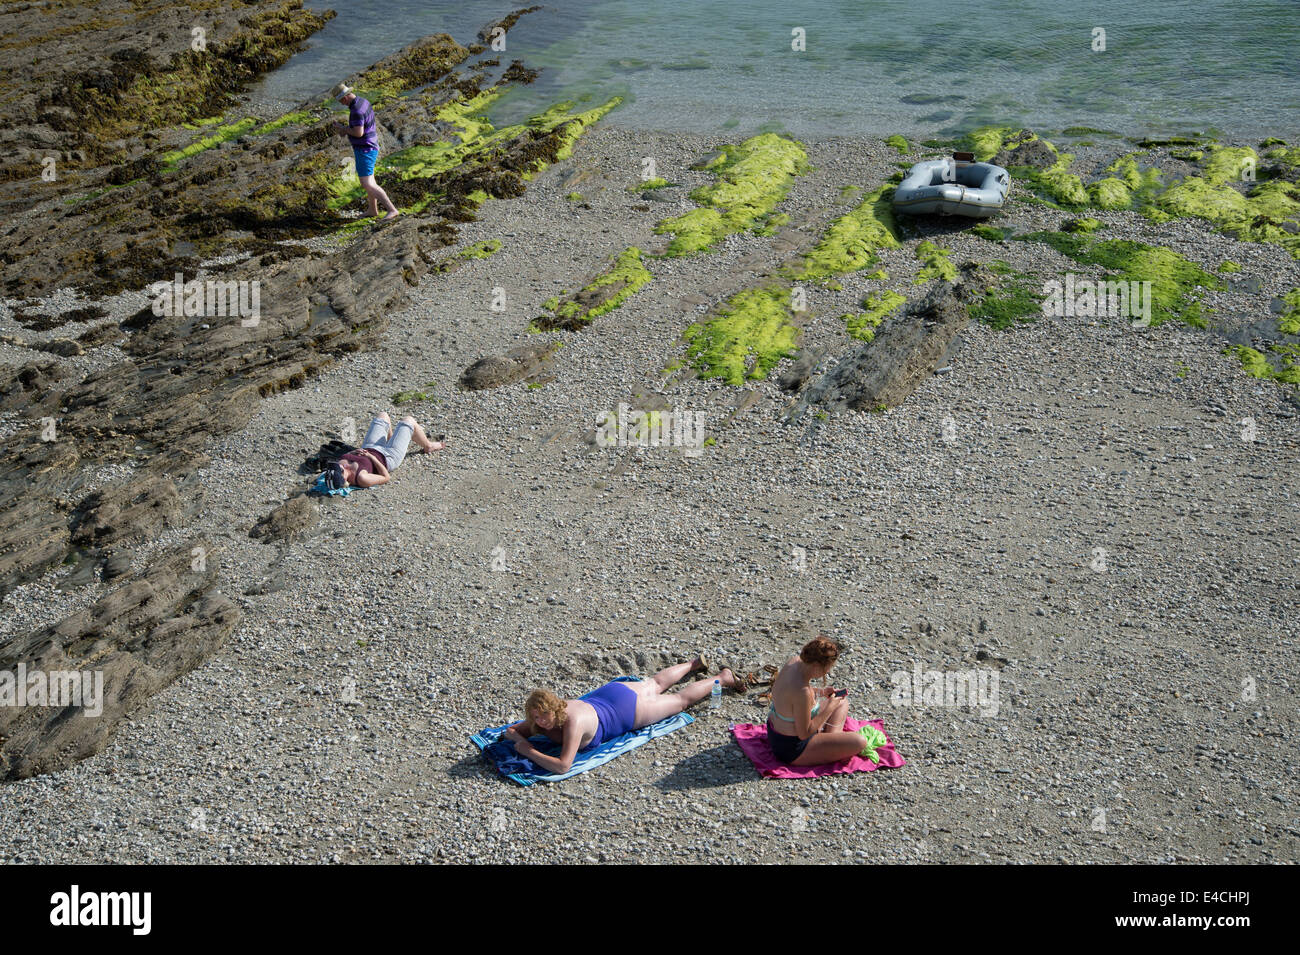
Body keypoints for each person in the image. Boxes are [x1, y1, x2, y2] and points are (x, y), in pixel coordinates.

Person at [503, 657, 745, 774]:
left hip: (626, 711)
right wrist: (519, 737)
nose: (540, 722)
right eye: (535, 717)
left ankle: (724, 678)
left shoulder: (571, 723)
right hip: (611, 694)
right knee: (655, 682)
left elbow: (564, 766)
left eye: (543, 716)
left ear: (554, 709)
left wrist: (529, 750)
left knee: (680, 701)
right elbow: (510, 731)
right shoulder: (542, 717)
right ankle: (693, 664)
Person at [766, 636, 876, 766]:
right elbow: (804, 734)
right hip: (792, 749)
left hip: (775, 733)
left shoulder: (794, 662)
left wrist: (820, 692)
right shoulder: (803, 692)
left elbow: (790, 690)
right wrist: (829, 707)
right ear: (817, 666)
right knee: (859, 742)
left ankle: (832, 741)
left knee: (841, 702)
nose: (827, 672)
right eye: (827, 668)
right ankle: (834, 743)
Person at [328, 82, 400, 221]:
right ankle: (373, 209)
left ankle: (392, 209)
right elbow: (361, 126)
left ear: (344, 98)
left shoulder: (355, 110)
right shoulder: (363, 101)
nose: (342, 104)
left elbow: (358, 132)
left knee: (367, 183)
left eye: (341, 101)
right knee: (370, 181)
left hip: (365, 149)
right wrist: (345, 127)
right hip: (371, 145)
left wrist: (344, 130)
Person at [325, 411, 444, 490]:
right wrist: (372, 458)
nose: (341, 466)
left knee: (383, 416)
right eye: (340, 470)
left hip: (370, 446)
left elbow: (347, 459)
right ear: (344, 478)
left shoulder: (340, 465)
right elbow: (386, 477)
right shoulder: (362, 478)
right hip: (389, 457)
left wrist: (356, 452)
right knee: (408, 421)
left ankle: (392, 439)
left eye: (336, 466)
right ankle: (428, 446)